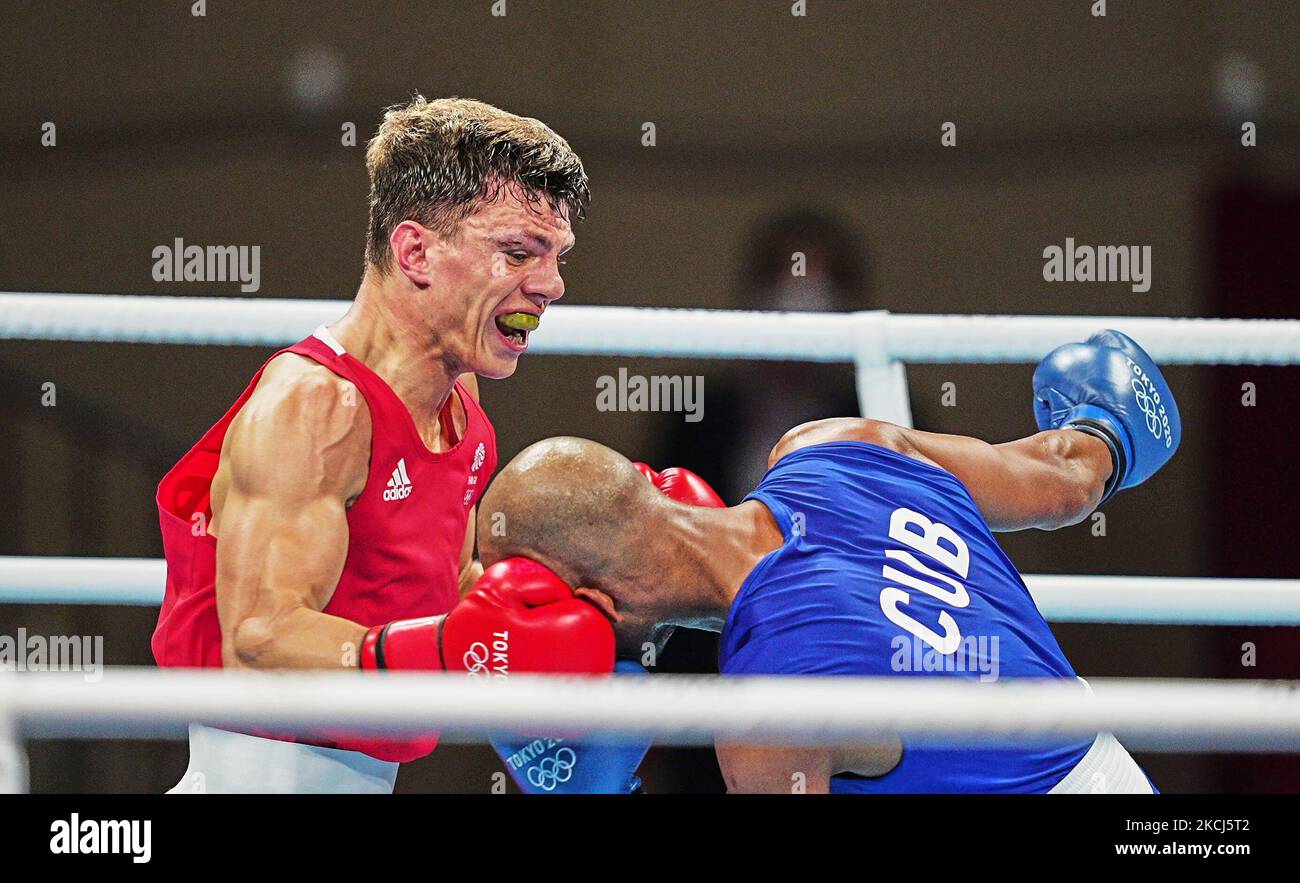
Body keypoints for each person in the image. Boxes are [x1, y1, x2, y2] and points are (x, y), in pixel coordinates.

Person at [152, 95, 639, 794]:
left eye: (556, 256)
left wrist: (546, 643)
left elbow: (443, 600)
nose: (551, 285)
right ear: (415, 251)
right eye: (516, 252)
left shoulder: (463, 410)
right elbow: (257, 637)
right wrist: (455, 649)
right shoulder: (316, 406)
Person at [477, 330, 1181, 793]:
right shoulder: (832, 443)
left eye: (532, 599)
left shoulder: (769, 707)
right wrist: (1104, 431)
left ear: (594, 603)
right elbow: (1069, 479)